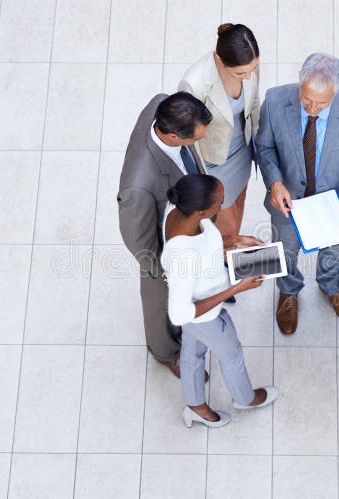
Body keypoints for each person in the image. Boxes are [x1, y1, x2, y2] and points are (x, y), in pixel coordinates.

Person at [256, 53, 339, 334]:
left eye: (322, 103)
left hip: (333, 203)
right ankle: (288, 292)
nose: (312, 109)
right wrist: (274, 182)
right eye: (306, 99)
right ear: (300, 77)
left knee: (334, 252)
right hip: (287, 201)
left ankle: (332, 286)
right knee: (284, 252)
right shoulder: (275, 101)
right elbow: (264, 148)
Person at [161, 174, 278, 427]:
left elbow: (202, 243)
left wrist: (235, 241)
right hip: (206, 317)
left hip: (199, 318)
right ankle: (245, 398)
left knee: (192, 352)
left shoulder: (180, 210)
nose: (224, 204)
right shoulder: (184, 258)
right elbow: (180, 314)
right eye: (220, 201)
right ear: (201, 211)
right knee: (232, 353)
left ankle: (195, 405)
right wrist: (236, 288)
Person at [117, 92, 212, 379]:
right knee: (160, 302)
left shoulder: (163, 102)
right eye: (195, 139)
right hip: (162, 251)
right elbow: (139, 241)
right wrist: (168, 273)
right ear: (171, 135)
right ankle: (165, 352)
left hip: (184, 220)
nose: (199, 143)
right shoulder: (139, 185)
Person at [178, 23, 261, 237]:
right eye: (240, 73)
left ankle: (233, 249)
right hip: (214, 163)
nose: (249, 77)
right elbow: (188, 139)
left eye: (253, 69)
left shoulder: (248, 66)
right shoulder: (194, 84)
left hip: (241, 150)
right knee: (228, 227)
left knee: (240, 202)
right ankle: (227, 256)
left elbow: (253, 103)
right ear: (219, 60)